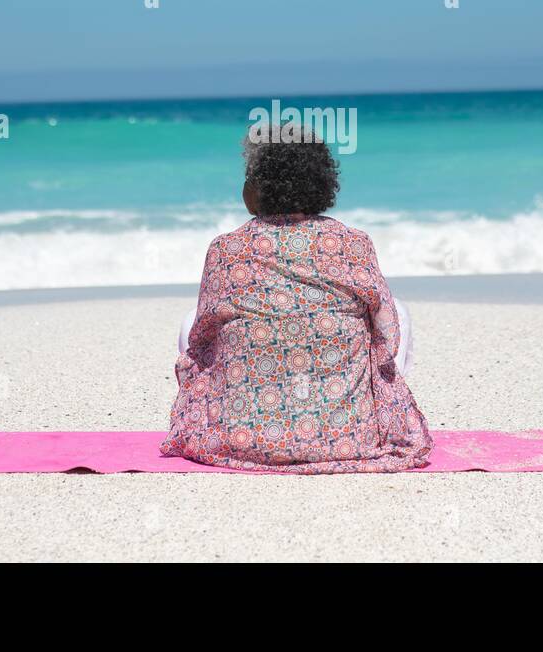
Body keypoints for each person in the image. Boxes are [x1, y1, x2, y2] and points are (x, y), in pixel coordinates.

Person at [160, 126, 433, 473]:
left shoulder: (225, 249)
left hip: (242, 439)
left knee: (194, 320)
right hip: (349, 435)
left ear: (259, 188)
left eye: (248, 177)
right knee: (395, 313)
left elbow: (200, 339)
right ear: (320, 184)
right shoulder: (354, 243)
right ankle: (357, 410)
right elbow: (387, 336)